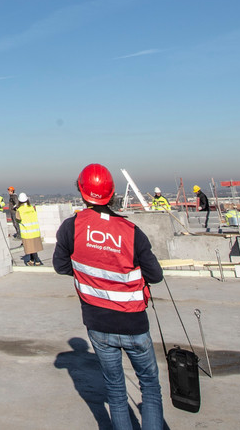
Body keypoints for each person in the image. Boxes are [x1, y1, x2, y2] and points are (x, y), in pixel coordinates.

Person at [54, 164, 165, 430]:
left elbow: (61, 265)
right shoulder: (130, 231)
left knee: (115, 390)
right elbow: (155, 274)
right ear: (113, 193)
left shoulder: (72, 228)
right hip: (133, 323)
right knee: (149, 385)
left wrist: (89, 274)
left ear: (81, 192)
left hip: (98, 322)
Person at [16, 193, 44, 265]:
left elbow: (18, 219)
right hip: (35, 231)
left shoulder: (19, 210)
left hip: (27, 232)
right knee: (33, 247)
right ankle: (31, 260)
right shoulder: (31, 207)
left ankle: (37, 261)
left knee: (31, 248)